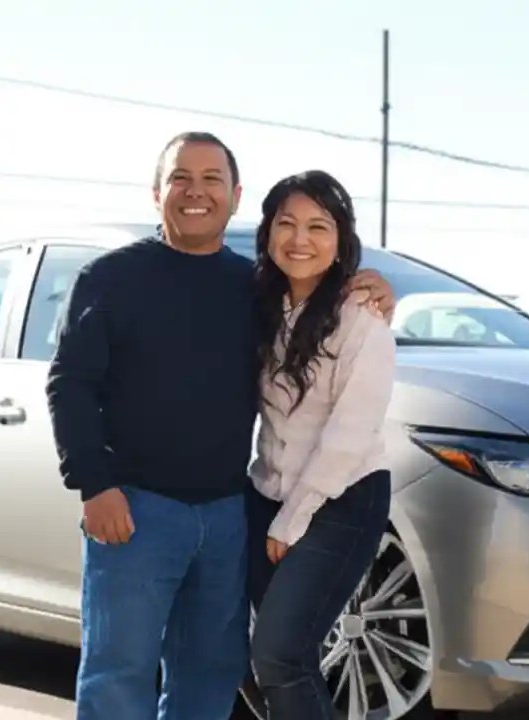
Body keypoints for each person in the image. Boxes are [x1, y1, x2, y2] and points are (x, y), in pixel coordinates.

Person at [46, 132, 395, 720]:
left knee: (209, 674)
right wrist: (93, 483)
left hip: (227, 514)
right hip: (134, 511)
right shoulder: (109, 279)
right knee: (118, 672)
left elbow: (327, 307)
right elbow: (69, 384)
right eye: (180, 177)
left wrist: (378, 288)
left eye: (212, 180)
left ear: (235, 197)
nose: (195, 192)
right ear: (156, 192)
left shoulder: (253, 286)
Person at [245, 170, 396, 719]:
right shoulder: (258, 305)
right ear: (267, 233)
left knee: (281, 655)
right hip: (264, 492)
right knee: (255, 654)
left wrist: (293, 517)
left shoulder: (363, 321)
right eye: (286, 223)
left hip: (341, 500)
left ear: (341, 242)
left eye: (317, 226)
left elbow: (350, 435)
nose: (300, 239)